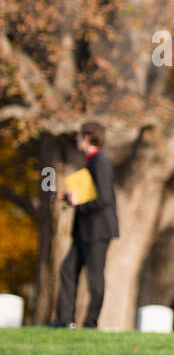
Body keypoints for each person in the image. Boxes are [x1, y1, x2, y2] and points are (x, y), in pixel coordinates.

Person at [53, 122, 119, 328]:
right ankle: (65, 320)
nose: (77, 138)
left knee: (95, 278)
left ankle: (91, 322)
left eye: (80, 135)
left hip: (97, 231)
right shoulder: (89, 161)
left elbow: (104, 199)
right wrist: (66, 197)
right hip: (84, 230)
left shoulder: (100, 162)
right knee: (67, 269)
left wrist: (78, 204)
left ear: (89, 137)